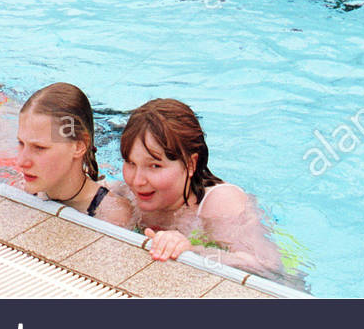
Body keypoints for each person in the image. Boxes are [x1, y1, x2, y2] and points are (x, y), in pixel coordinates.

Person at [120, 99, 282, 275]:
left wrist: (191, 250)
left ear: (190, 164)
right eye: (130, 163)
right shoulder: (129, 193)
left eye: (154, 166)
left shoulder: (221, 203)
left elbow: (267, 267)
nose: (137, 181)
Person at [16, 83, 132, 222]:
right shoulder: (23, 187)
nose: (21, 162)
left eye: (39, 148)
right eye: (21, 143)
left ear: (78, 146)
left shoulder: (111, 214)